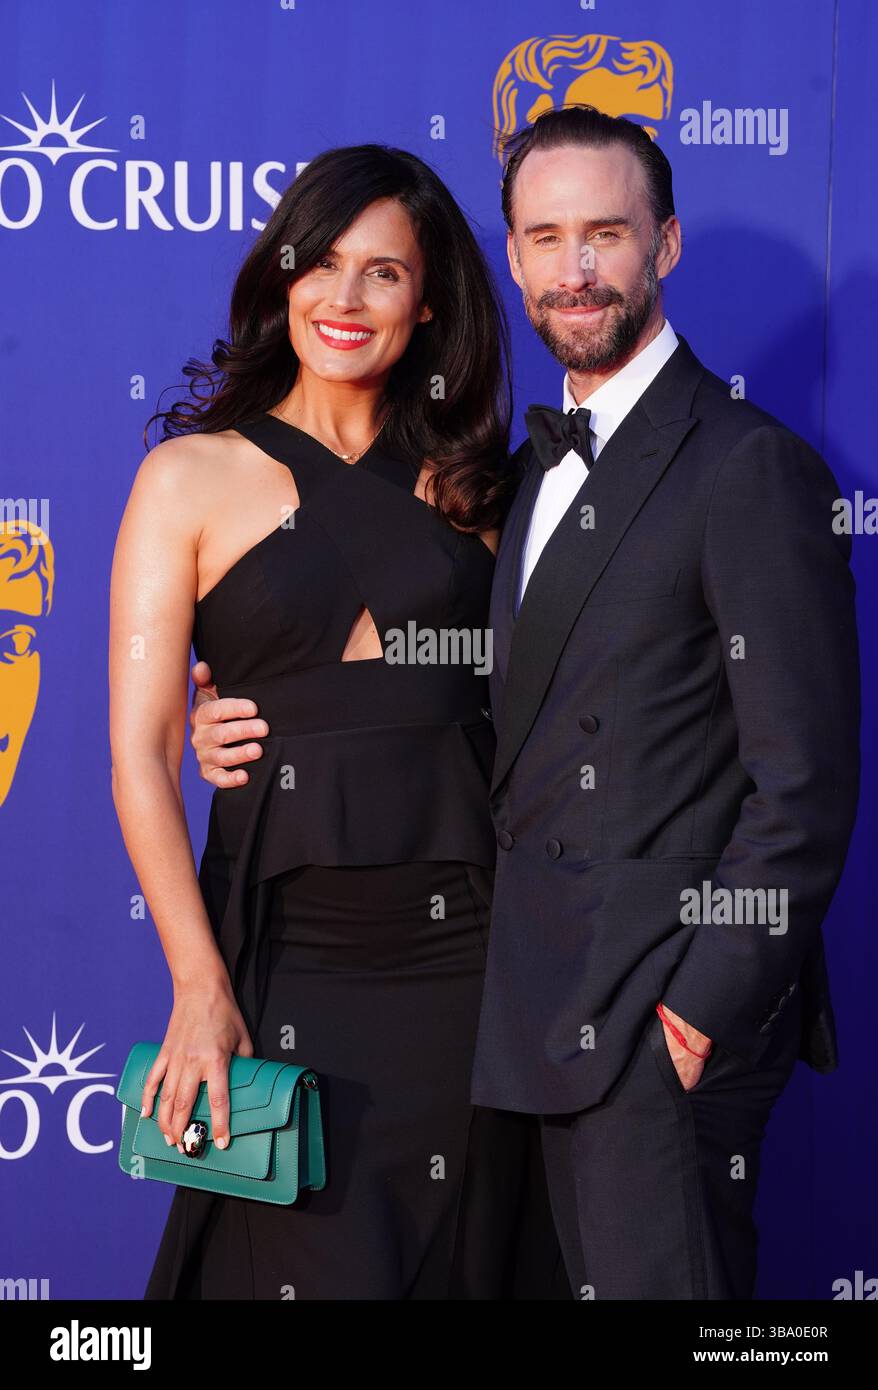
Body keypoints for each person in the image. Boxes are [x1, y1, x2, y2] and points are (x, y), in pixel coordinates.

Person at [193, 105, 861, 1300]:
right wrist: (257, 707)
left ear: (662, 244)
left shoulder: (745, 465)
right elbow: (470, 687)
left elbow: (802, 784)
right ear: (508, 259)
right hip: (520, 1015)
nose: (575, 268)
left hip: (656, 1023)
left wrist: (701, 1005)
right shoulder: (512, 471)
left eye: (604, 232)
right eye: (545, 238)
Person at [109, 143, 565, 1300]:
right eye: (319, 262)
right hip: (281, 951)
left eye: (383, 273)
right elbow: (139, 755)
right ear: (280, 275)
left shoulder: (482, 490)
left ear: (427, 307)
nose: (343, 298)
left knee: (468, 1259)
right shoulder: (188, 478)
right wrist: (198, 986)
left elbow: (543, 708)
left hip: (470, 947)